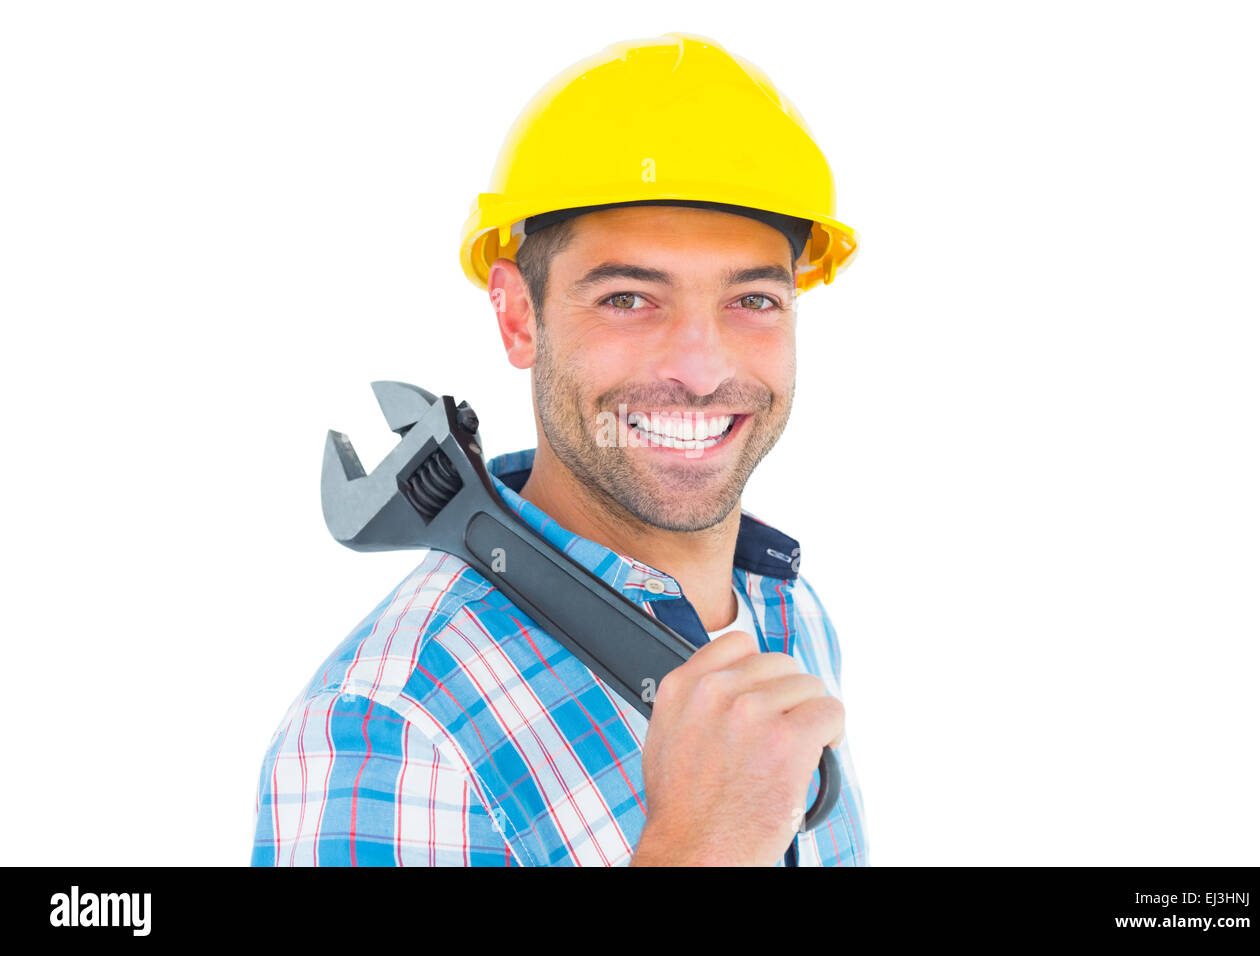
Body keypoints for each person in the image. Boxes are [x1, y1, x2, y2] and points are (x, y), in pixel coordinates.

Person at [251, 31, 868, 867]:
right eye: (627, 298)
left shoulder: (786, 608)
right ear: (519, 318)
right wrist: (700, 848)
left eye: (753, 299)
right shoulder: (389, 727)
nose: (700, 369)